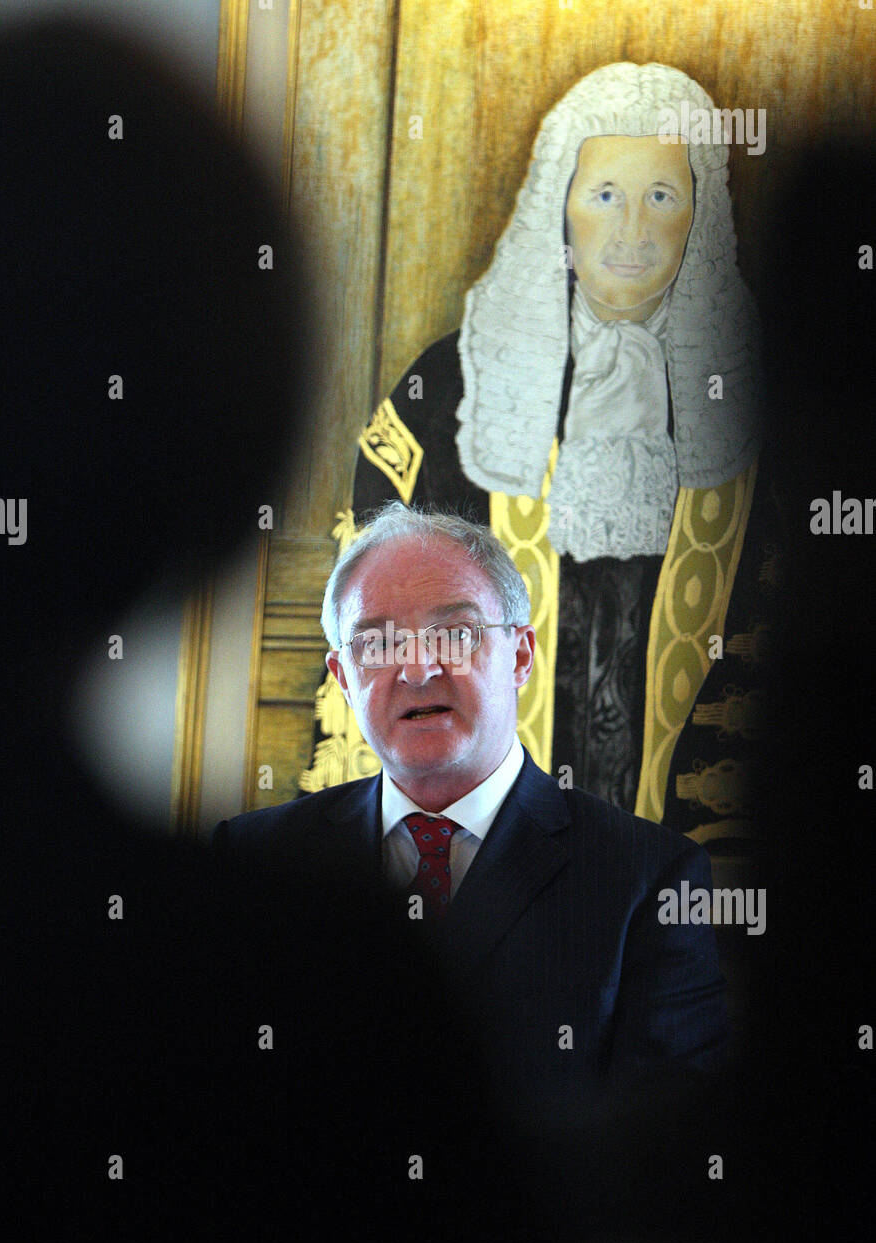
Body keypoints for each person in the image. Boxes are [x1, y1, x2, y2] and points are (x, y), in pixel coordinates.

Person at [322, 61, 778, 863]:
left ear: (700, 213)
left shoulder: (761, 401)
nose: (630, 229)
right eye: (603, 194)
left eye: (661, 196)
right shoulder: (446, 394)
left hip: (705, 871)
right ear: (557, 208)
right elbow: (375, 629)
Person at [217, 502, 731, 1116]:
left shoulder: (649, 878)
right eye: (376, 644)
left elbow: (661, 1149)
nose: (416, 668)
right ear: (344, 678)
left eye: (453, 634)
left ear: (520, 656)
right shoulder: (251, 861)